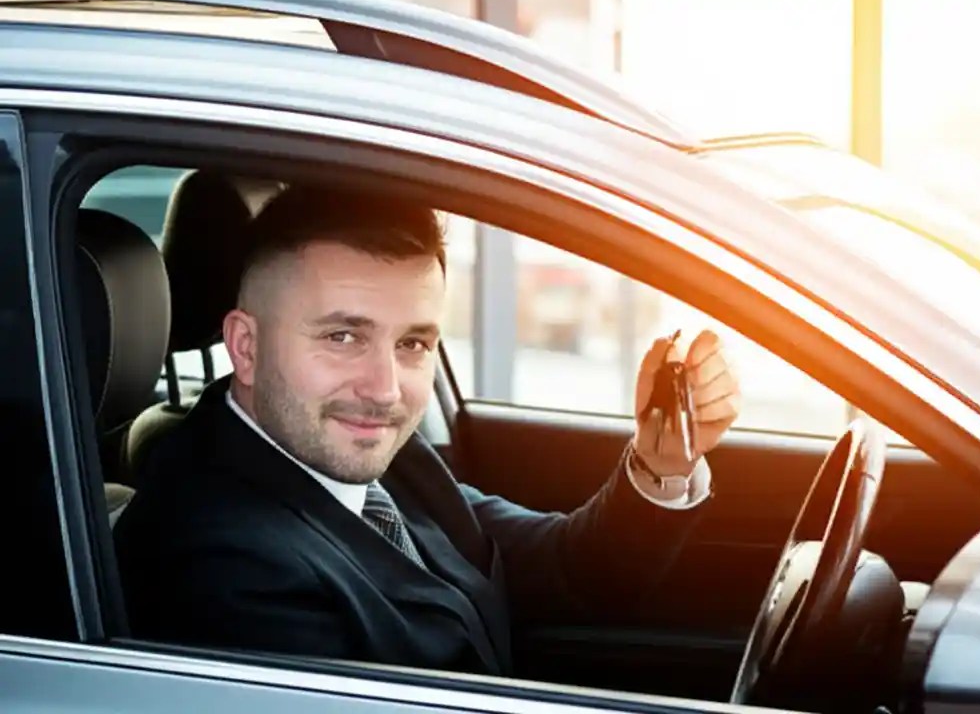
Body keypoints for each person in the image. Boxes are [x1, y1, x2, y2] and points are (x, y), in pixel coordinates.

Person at [113, 184, 741, 676]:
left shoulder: (377, 459)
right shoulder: (222, 568)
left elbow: (561, 569)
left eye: (413, 342)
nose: (385, 388)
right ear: (245, 347)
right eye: (343, 336)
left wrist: (662, 465)